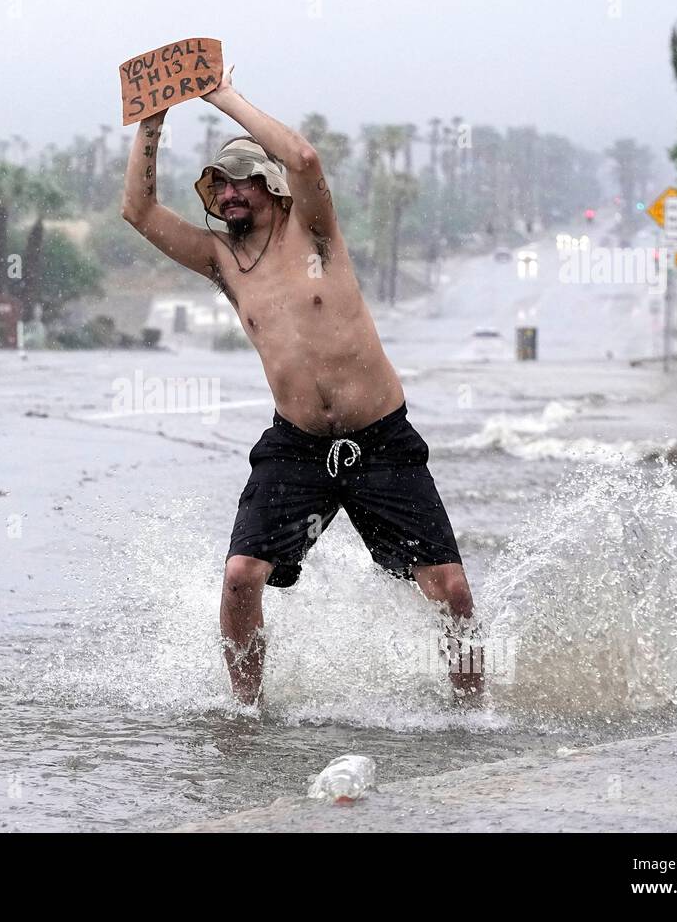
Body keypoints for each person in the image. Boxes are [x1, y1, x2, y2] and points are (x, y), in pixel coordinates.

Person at [120, 66, 480, 704]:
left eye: (243, 182)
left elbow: (307, 157)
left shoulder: (315, 234)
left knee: (450, 590)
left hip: (383, 441)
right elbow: (138, 210)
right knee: (239, 578)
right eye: (218, 186)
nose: (228, 195)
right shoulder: (221, 260)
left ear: (273, 187)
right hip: (298, 447)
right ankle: (247, 712)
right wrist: (153, 119)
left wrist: (219, 96)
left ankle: (473, 715)